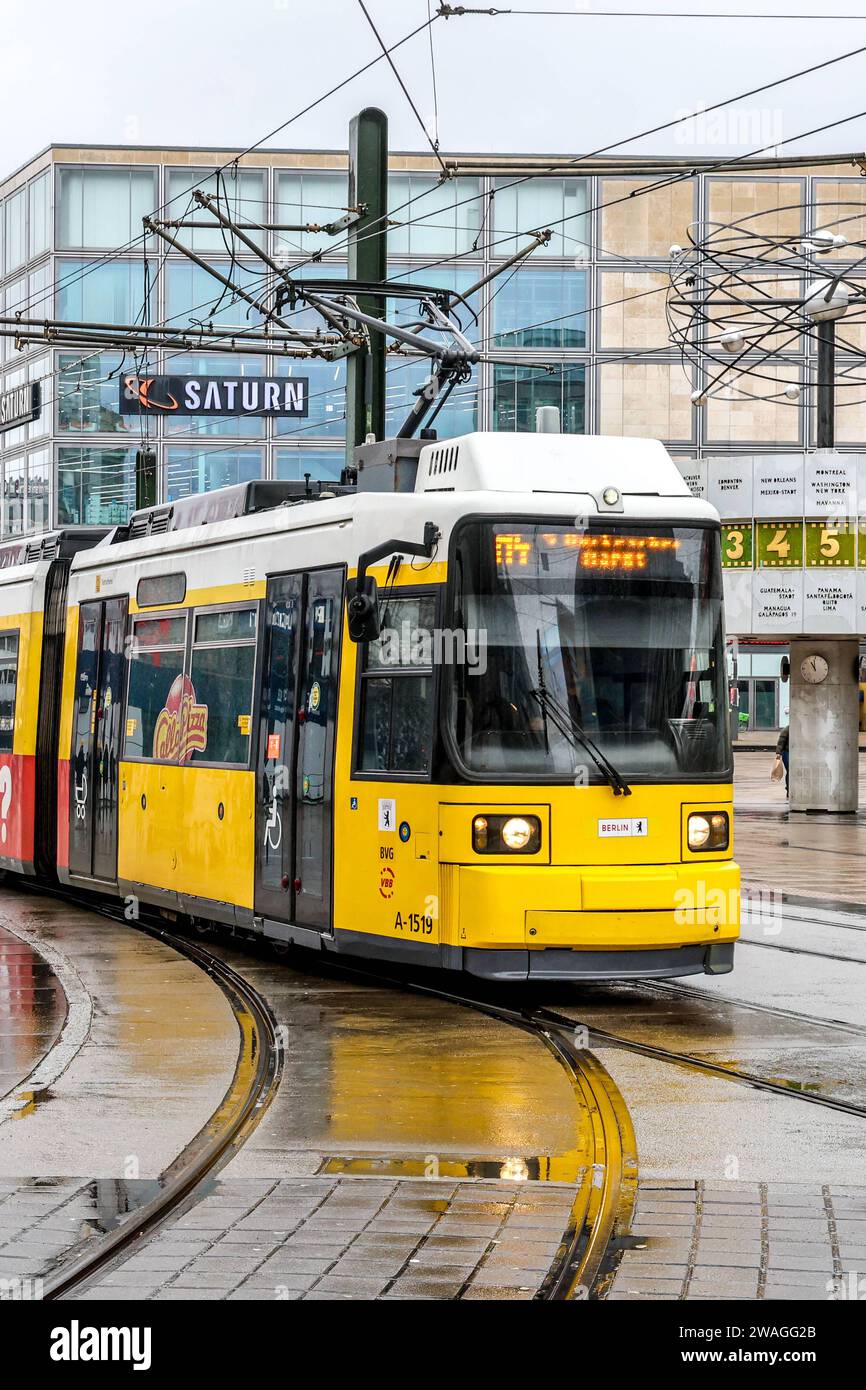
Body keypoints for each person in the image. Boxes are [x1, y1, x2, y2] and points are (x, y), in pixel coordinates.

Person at [774, 724, 789, 796]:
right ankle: (789, 789)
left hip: (795, 752)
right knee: (790, 771)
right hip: (787, 752)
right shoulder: (787, 730)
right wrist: (778, 753)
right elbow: (781, 742)